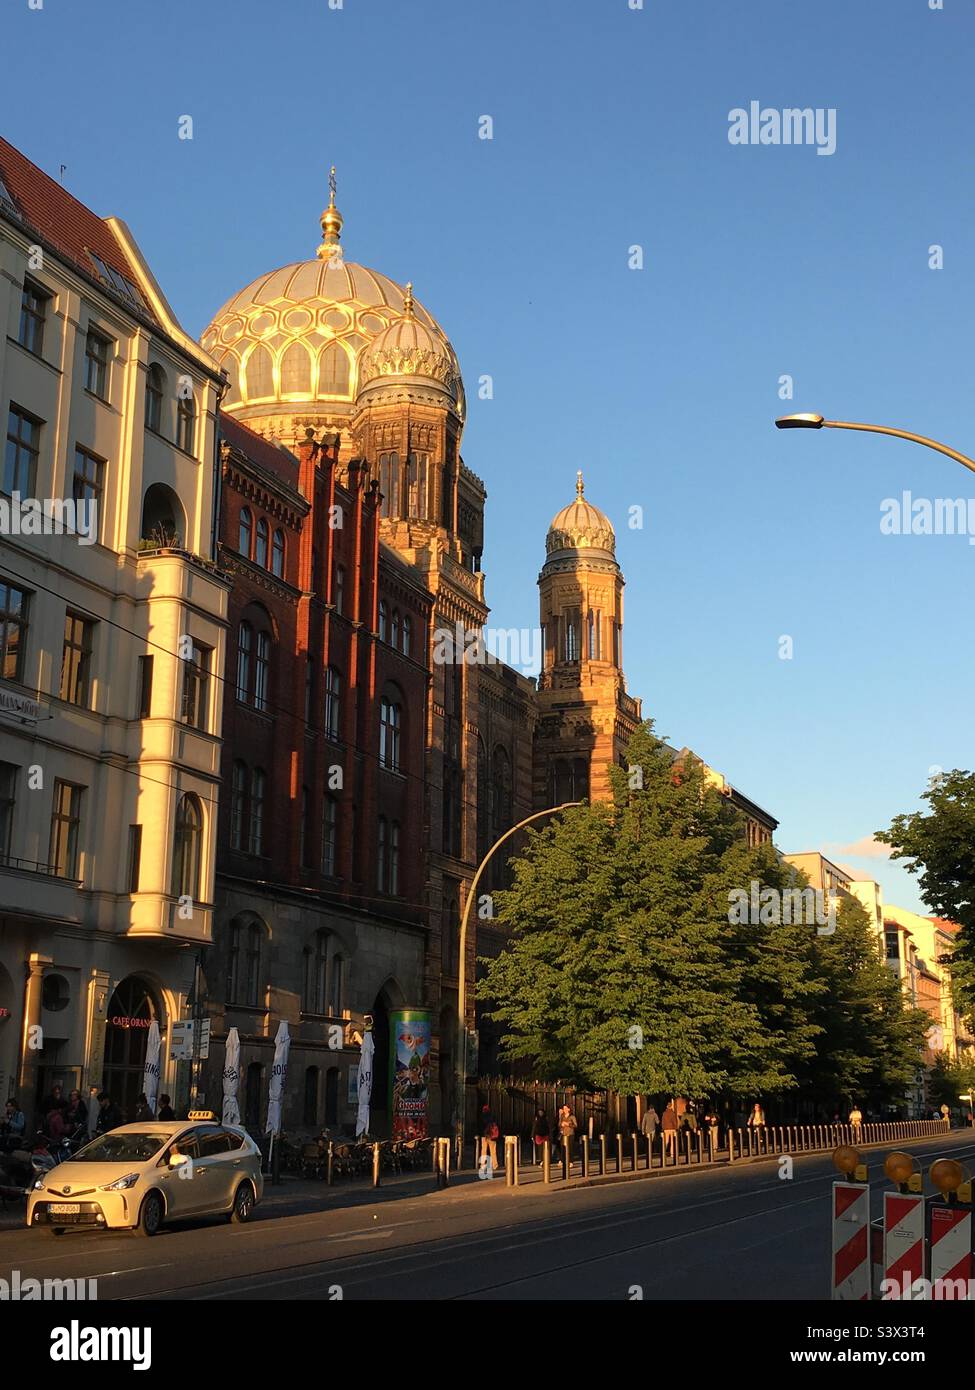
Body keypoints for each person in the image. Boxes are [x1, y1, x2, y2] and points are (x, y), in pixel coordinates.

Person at [479, 1104, 499, 1175]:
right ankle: (495, 1165)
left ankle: (482, 1165)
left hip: (484, 1136)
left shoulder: (481, 1117)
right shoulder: (492, 1116)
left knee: (483, 1150)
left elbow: (480, 1126)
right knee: (493, 1151)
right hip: (491, 1136)